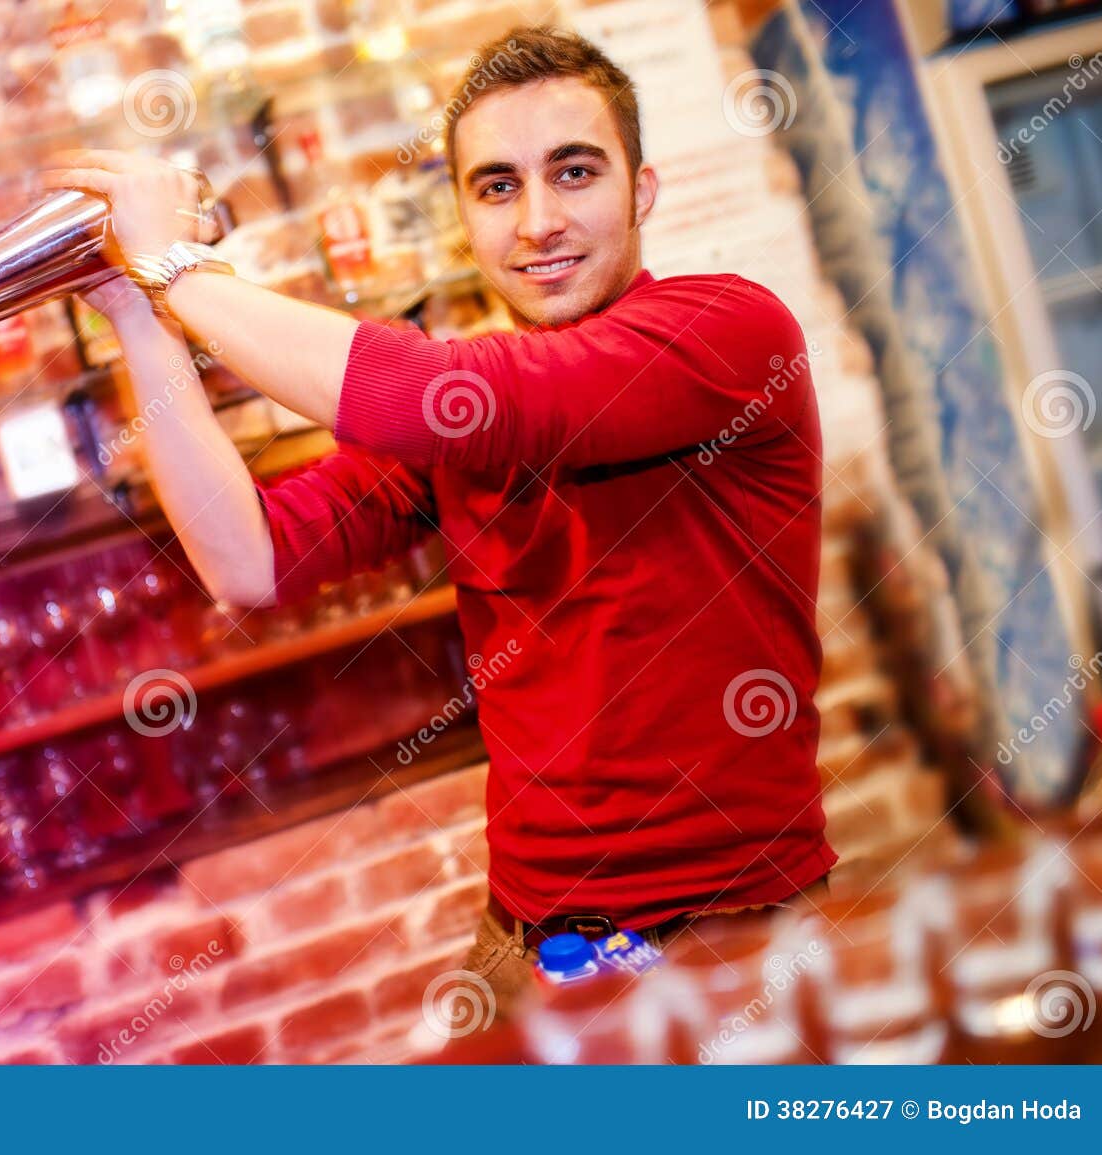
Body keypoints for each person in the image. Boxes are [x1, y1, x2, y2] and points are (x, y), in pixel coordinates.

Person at [43, 24, 835, 1009]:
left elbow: (427, 392)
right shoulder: (463, 426)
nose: (537, 221)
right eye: (497, 186)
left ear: (642, 193)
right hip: (528, 927)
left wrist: (174, 264)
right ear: (465, 215)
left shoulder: (723, 331)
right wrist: (135, 315)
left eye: (574, 173)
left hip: (722, 929)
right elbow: (248, 562)